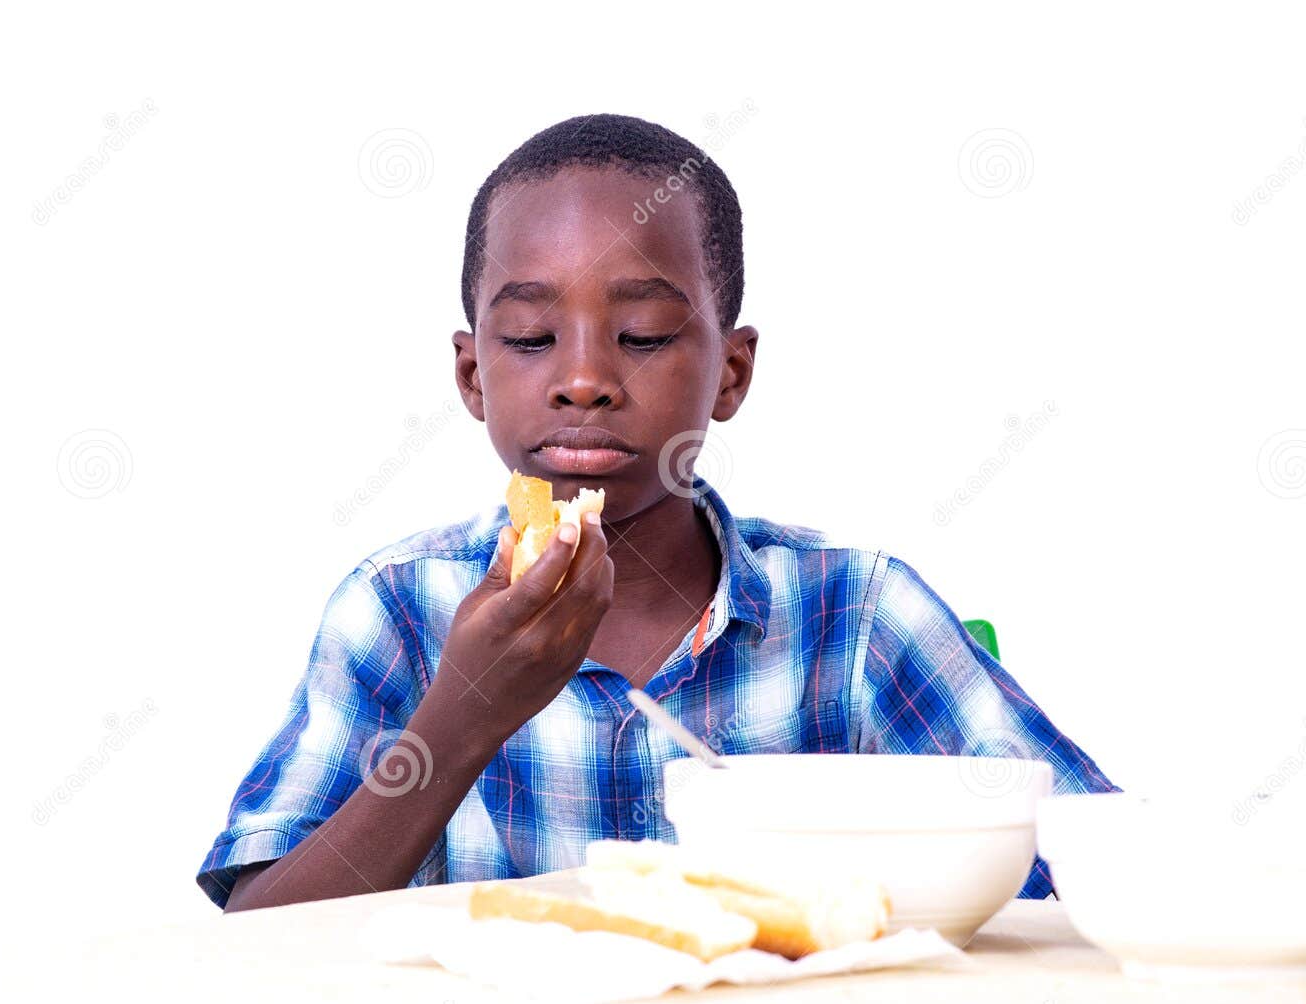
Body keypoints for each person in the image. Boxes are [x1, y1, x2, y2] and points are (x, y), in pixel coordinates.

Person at [198, 113, 1117, 912]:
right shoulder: (396, 611)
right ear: (472, 374)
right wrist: (464, 716)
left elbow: (1097, 862)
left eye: (642, 336)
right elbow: (261, 941)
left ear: (732, 372)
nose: (587, 380)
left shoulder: (855, 616)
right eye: (528, 338)